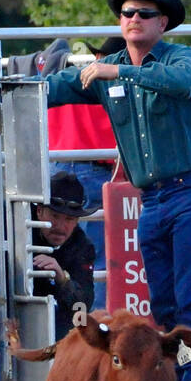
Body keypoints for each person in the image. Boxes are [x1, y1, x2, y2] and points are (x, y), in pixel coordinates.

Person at [43, 0, 191, 381]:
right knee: (163, 306)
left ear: (163, 22)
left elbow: (182, 82)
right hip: (154, 200)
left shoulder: (180, 59)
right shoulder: (110, 70)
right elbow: (55, 86)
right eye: (127, 13)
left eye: (144, 13)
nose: (134, 19)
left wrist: (115, 73)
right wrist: (11, 85)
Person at [45, 36, 124, 309]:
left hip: (55, 168)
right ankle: (94, 323)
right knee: (97, 258)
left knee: (52, 249)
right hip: (95, 171)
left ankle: (62, 321)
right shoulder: (115, 84)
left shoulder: (68, 80)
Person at [30, 171, 96, 339]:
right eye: (55, 216)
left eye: (69, 219)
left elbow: (82, 307)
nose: (60, 226)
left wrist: (62, 279)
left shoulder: (82, 246)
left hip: (51, 322)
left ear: (77, 221)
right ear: (39, 211)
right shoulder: (15, 220)